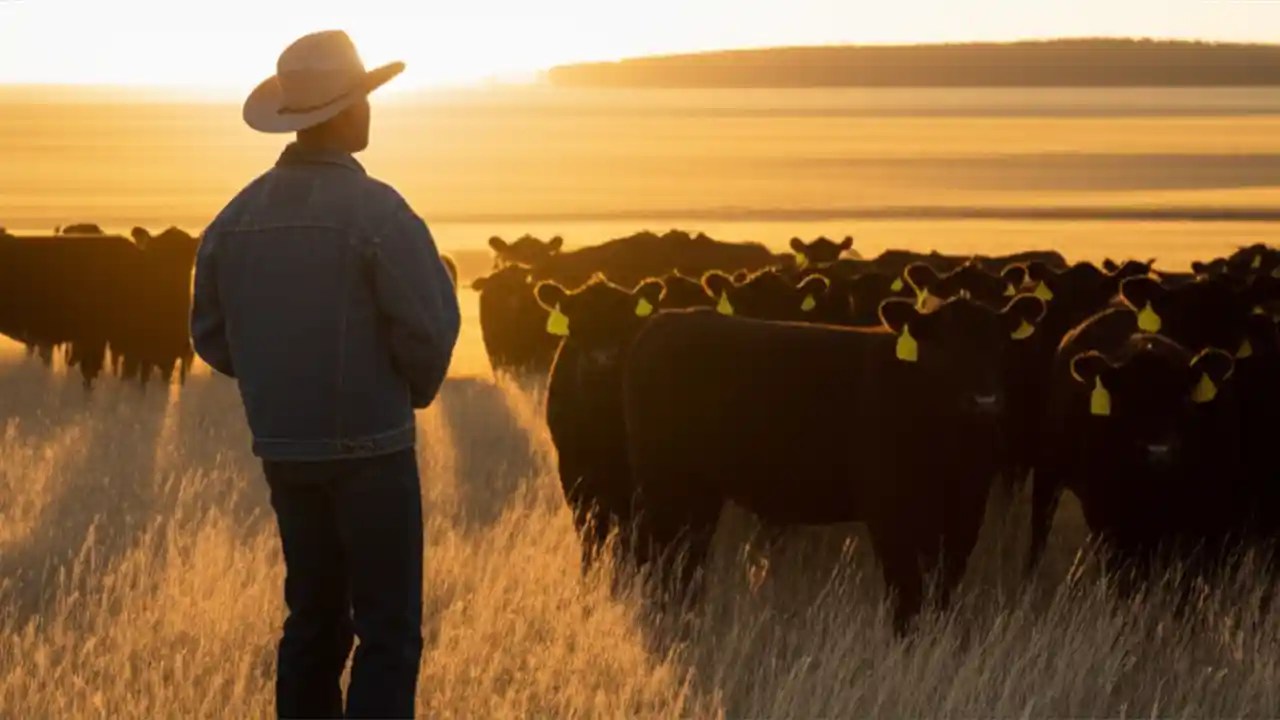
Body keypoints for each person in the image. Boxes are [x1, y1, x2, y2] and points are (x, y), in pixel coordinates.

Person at [190, 29, 460, 720]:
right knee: (388, 633)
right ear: (342, 115)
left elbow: (213, 339)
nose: (369, 111)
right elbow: (427, 331)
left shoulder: (233, 220)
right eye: (362, 99)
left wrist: (281, 381)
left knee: (312, 621)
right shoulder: (380, 214)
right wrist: (409, 392)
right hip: (374, 451)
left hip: (284, 451)